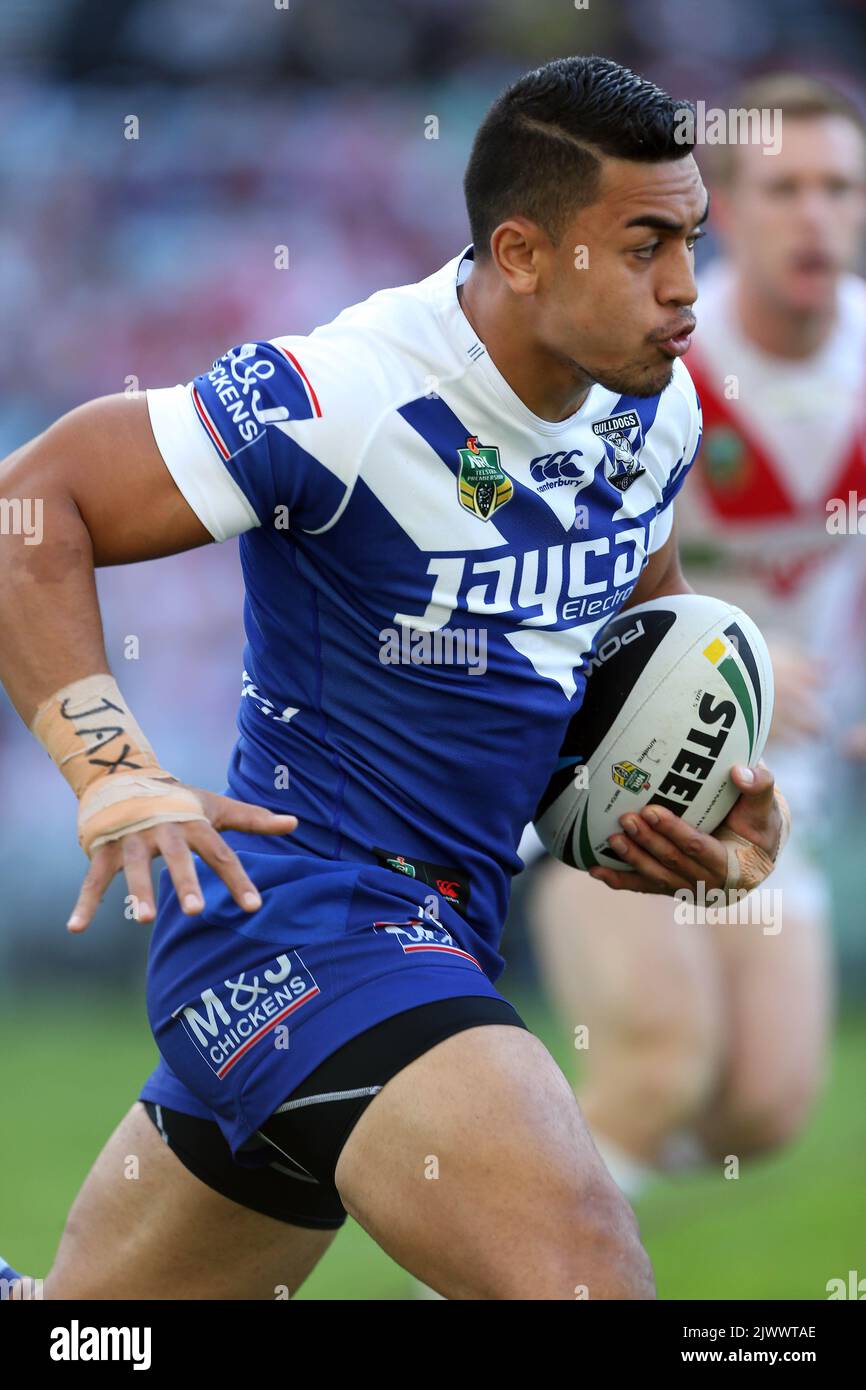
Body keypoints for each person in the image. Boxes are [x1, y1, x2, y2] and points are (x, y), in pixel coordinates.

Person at [0, 54, 786, 1302]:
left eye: (692, 238)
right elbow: (32, 503)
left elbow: (626, 650)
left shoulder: (656, 412)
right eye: (643, 246)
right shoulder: (347, 392)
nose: (687, 288)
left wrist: (696, 802)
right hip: (311, 920)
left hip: (444, 929)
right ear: (521, 254)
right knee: (582, 1280)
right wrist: (111, 769)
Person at [526, 73, 866, 1197]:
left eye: (837, 187)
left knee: (758, 1108)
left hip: (775, 779)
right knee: (657, 1061)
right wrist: (757, 655)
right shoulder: (652, 362)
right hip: (622, 756)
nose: (812, 215)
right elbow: (559, 574)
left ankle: (514, 1185)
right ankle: (506, 1251)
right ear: (718, 207)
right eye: (781, 189)